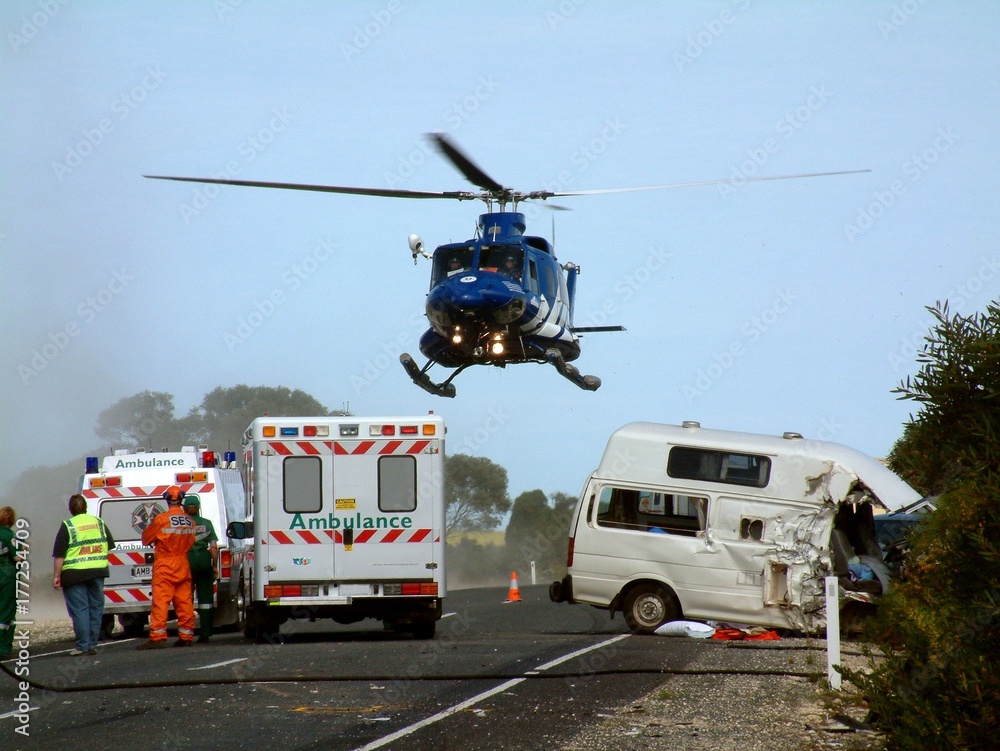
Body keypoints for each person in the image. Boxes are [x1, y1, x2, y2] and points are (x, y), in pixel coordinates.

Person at [52, 495, 114, 656]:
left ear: (70, 509)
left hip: (74, 574)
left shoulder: (68, 526)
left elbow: (60, 555)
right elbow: (110, 545)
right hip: (98, 571)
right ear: (86, 507)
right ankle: (92, 644)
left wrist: (56, 576)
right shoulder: (99, 523)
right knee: (96, 608)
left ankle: (82, 646)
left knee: (80, 610)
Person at [137, 485, 196, 649]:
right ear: (181, 499)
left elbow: (146, 538)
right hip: (183, 564)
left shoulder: (161, 519)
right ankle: (186, 636)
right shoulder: (189, 521)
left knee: (161, 602)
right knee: (184, 602)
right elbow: (191, 541)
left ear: (167, 500)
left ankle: (158, 637)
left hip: (165, 565)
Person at [183, 495, 219, 644]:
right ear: (198, 508)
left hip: (186, 562)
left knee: (185, 599)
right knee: (206, 601)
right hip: (204, 560)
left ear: (185, 508)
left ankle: (186, 633)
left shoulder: (180, 525)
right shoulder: (207, 524)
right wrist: (214, 566)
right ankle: (205, 633)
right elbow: (214, 548)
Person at [0, 507, 18, 657]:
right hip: (7, 574)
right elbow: (17, 557)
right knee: (7, 610)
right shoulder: (10, 535)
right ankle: (4, 646)